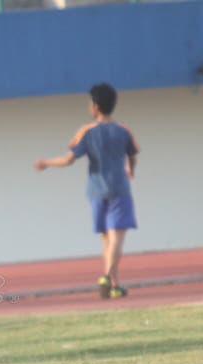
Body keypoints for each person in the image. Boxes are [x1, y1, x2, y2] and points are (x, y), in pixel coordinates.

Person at [33, 82, 140, 299]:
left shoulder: (86, 132)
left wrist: (46, 163)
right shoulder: (123, 130)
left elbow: (69, 159)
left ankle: (113, 284)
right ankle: (108, 277)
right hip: (119, 188)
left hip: (96, 190)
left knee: (105, 239)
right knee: (116, 238)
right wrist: (130, 170)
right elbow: (133, 155)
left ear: (96, 106)